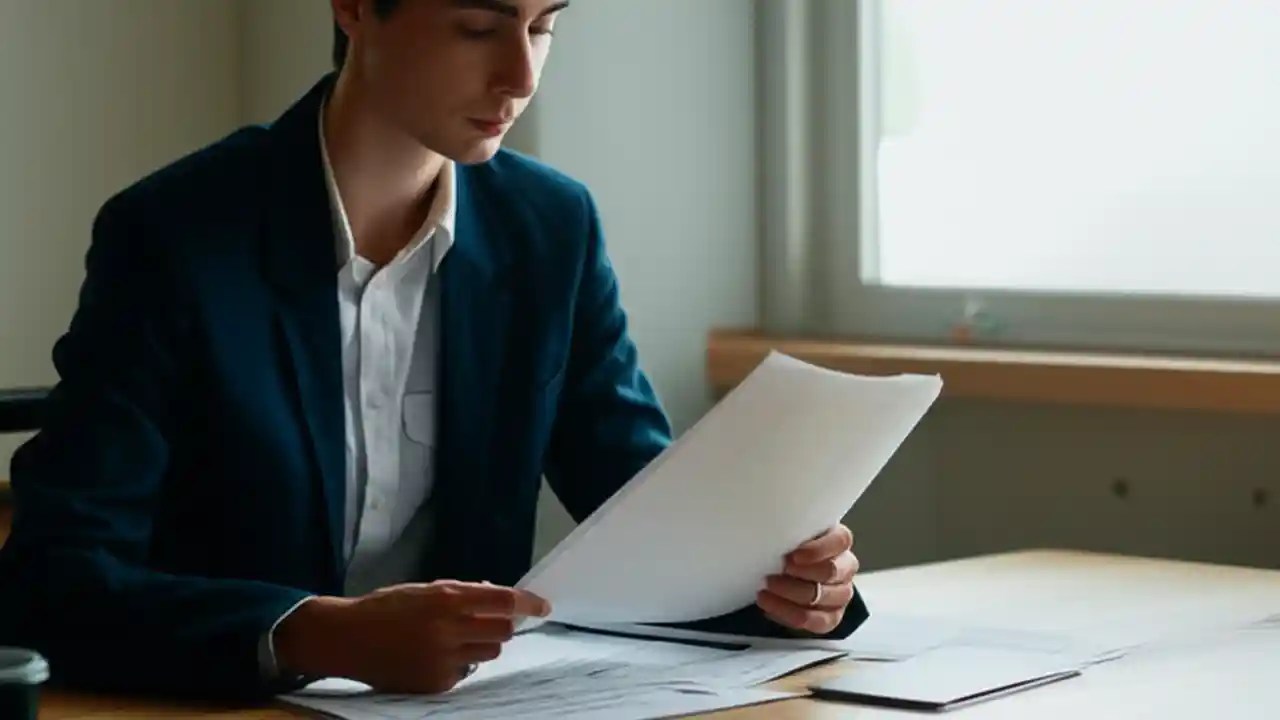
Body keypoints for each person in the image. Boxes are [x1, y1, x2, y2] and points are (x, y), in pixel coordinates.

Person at [0, 0, 866, 699]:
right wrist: (316, 630)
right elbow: (54, 579)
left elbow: (648, 515)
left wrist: (786, 586)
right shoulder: (176, 236)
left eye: (544, 25)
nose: (521, 75)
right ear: (354, 11)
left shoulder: (551, 230)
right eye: (479, 27)